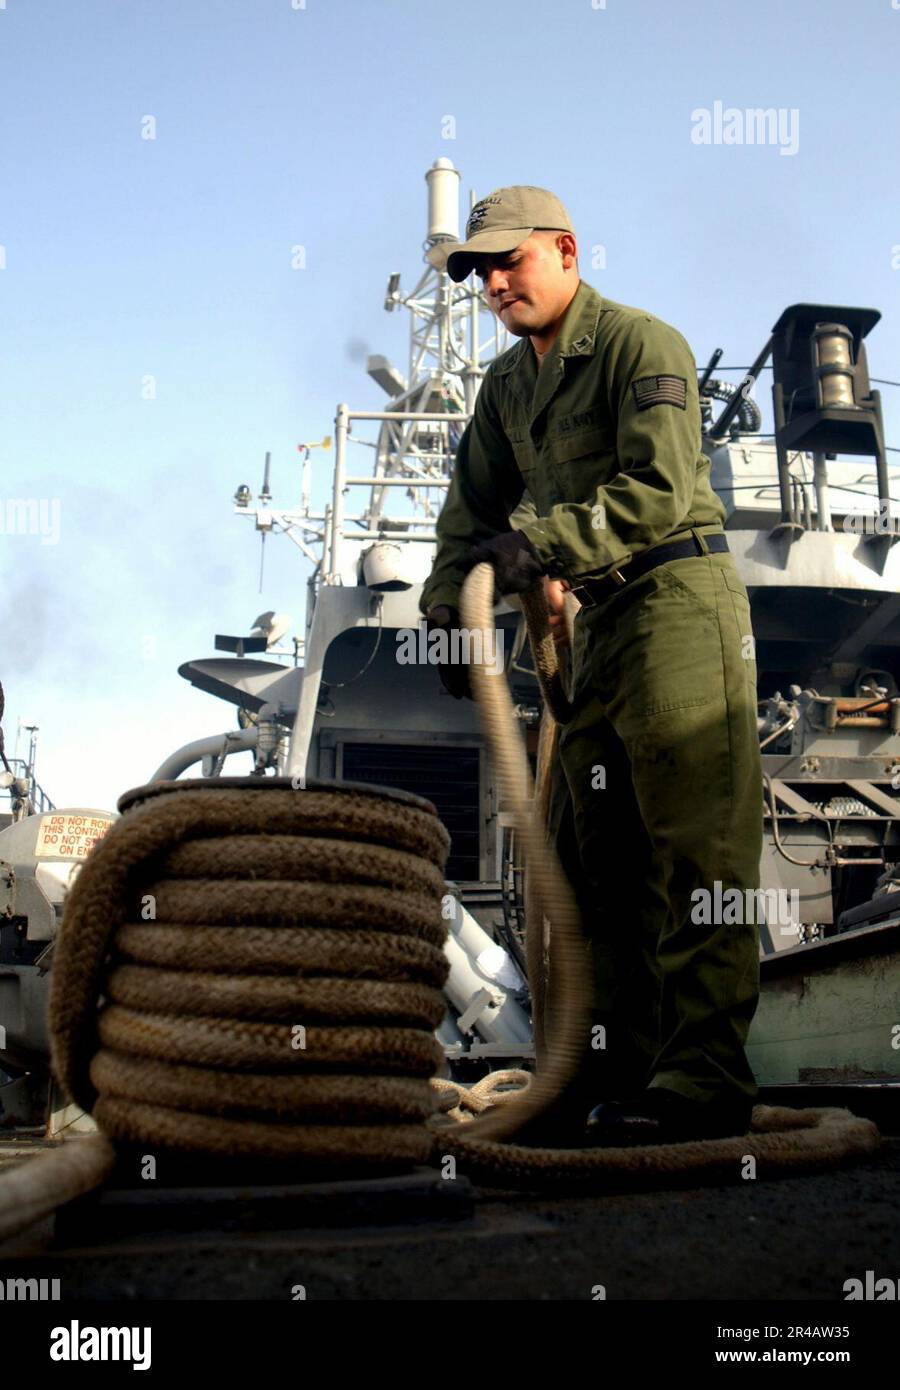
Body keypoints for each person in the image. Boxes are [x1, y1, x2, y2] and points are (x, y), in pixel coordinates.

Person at [421, 185, 763, 1144]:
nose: (492, 282)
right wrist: (449, 602)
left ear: (565, 250)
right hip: (591, 634)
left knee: (696, 853)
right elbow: (469, 512)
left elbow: (658, 490)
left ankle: (700, 1088)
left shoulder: (640, 345)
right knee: (590, 869)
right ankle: (608, 1079)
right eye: (478, 270)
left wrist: (539, 548)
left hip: (676, 608)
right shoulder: (505, 389)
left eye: (508, 261)